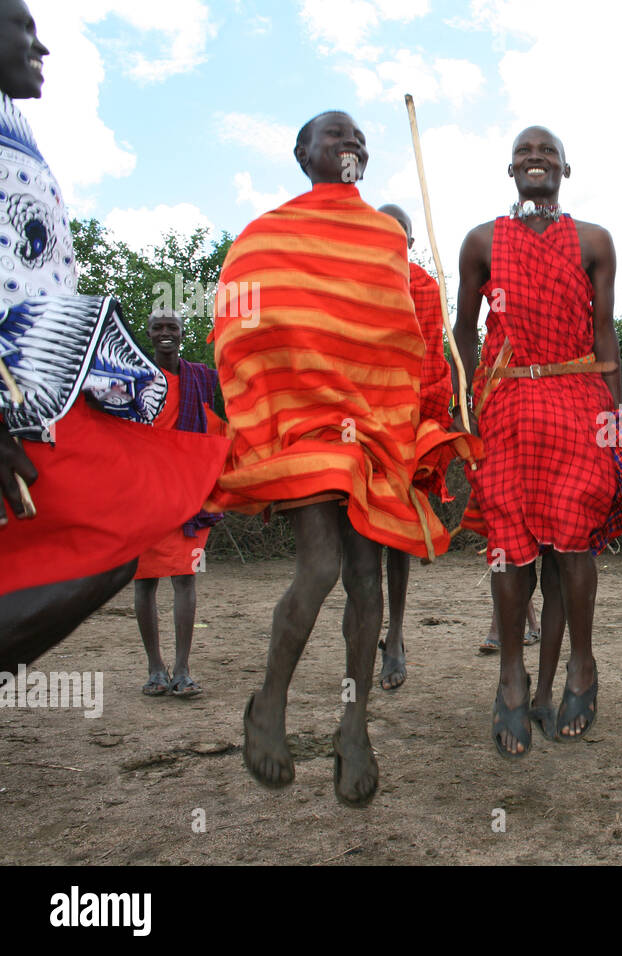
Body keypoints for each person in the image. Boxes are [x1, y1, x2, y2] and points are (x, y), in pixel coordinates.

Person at [209, 110, 477, 805]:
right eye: (335, 135)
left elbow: (403, 341)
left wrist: (421, 426)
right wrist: (273, 395)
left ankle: (353, 723)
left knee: (365, 580)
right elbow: (242, 314)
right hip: (308, 430)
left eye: (359, 135)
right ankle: (270, 702)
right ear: (303, 153)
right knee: (322, 564)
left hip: (374, 428)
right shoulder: (270, 236)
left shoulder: (386, 239)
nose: (351, 142)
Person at [0, 0, 227, 669]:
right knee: (107, 544)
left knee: (113, 543)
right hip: (18, 404)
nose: (42, 52)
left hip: (38, 402)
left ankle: (174, 667)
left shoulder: (15, 129)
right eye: (26, 34)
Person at [454, 126, 620, 757]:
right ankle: (515, 682)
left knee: (570, 545)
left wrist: (618, 415)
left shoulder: (594, 241)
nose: (535, 159)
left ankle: (578, 669)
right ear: (510, 168)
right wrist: (467, 404)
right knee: (509, 547)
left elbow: (604, 332)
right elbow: (463, 332)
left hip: (578, 401)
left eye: (546, 152)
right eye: (524, 152)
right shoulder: (480, 242)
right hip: (506, 406)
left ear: (565, 168)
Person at [372, 202, 457, 691]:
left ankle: (397, 634)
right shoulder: (352, 282)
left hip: (406, 425)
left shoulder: (424, 287)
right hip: (358, 423)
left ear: (410, 242)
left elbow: (432, 360)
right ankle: (366, 634)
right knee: (359, 539)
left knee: (397, 537)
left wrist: (425, 423)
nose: (392, 241)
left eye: (400, 234)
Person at [134, 309, 225, 698]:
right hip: (143, 493)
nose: (166, 333)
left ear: (183, 335)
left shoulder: (203, 378)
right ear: (150, 334)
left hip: (189, 493)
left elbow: (239, 395)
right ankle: (156, 668)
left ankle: (183, 669)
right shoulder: (134, 377)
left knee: (185, 576)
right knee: (145, 580)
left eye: (173, 327)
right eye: (159, 328)